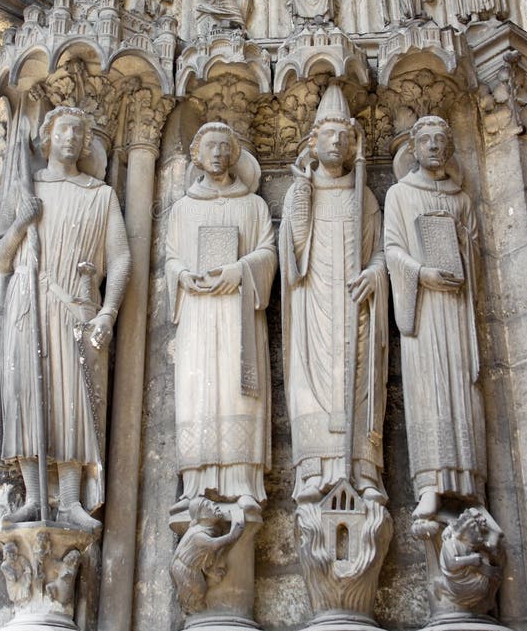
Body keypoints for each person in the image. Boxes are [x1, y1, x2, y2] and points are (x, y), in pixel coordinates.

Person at [0, 107, 131, 531]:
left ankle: (70, 501)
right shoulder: (26, 187)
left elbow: (121, 257)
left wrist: (109, 312)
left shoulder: (99, 194)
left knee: (72, 402)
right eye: (63, 129)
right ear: (47, 137)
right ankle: (35, 498)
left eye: (79, 130)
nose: (71, 137)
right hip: (28, 302)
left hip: (74, 306)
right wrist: (22, 222)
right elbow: (0, 260)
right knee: (25, 396)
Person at [280, 85, 389, 504]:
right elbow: (293, 253)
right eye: (329, 135)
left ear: (352, 142)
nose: (337, 142)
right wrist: (303, 195)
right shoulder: (299, 192)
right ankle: (313, 468)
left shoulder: (364, 196)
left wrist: (375, 275)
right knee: (310, 377)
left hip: (354, 303)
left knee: (359, 378)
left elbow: (378, 251)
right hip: (313, 302)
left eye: (344, 136)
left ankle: (362, 469)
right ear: (313, 142)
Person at [166, 123, 276, 513]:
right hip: (198, 309)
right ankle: (198, 482)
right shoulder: (183, 208)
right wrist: (182, 275)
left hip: (238, 309)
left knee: (236, 386)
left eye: (224, 146)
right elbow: (171, 257)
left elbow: (268, 254)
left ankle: (242, 479)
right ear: (197, 154)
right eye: (210, 146)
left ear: (234, 154)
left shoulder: (253, 205)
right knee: (199, 391)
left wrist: (238, 271)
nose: (217, 153)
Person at [384, 116, 487, 520]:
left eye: (440, 140)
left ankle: (469, 483)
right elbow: (392, 250)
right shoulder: (399, 195)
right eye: (425, 140)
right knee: (428, 388)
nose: (433, 146)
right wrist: (421, 273)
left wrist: (462, 240)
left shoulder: (461, 199)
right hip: (424, 307)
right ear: (414, 147)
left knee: (463, 389)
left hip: (456, 308)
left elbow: (476, 253)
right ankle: (430, 482)